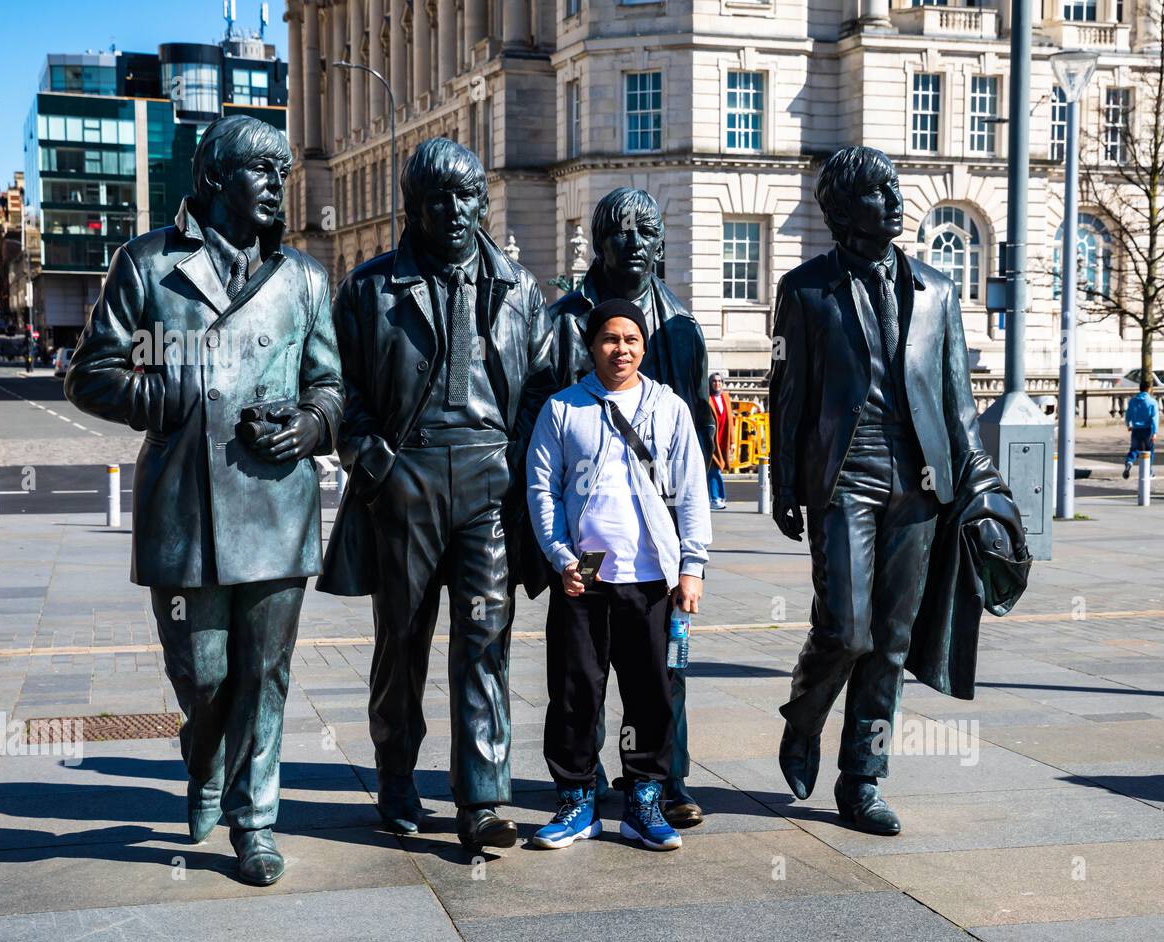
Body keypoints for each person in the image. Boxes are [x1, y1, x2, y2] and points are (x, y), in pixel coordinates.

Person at [65, 115, 344, 886]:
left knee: (267, 673)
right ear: (217, 179)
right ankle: (207, 758)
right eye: (263, 174)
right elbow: (90, 373)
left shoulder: (304, 280)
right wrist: (164, 391)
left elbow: (332, 387)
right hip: (184, 512)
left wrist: (311, 423)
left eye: (283, 177)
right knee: (206, 672)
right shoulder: (149, 265)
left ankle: (254, 822)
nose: (277, 190)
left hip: (277, 506)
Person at [768, 146, 1025, 836]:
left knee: (890, 640)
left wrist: (983, 490)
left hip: (920, 483)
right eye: (880, 194)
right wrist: (783, 481)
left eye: (895, 191)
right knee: (844, 629)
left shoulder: (937, 290)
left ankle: (863, 778)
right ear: (845, 210)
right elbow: (787, 395)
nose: (896, 203)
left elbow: (957, 402)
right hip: (842, 474)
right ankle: (803, 713)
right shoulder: (806, 289)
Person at [317, 138, 557, 852]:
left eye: (467, 196)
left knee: (486, 640)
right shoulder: (370, 288)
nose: (454, 211)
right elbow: (338, 388)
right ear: (413, 207)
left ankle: (482, 799)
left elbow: (540, 387)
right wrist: (372, 457)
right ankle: (395, 771)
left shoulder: (518, 287)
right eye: (437, 199)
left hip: (489, 482)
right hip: (407, 478)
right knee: (403, 641)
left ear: (485, 201)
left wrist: (523, 472)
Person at [547, 188, 713, 826]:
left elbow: (692, 445)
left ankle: (666, 781)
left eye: (649, 233)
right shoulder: (565, 320)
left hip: (658, 540)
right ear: (599, 243)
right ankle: (577, 788)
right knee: (579, 677)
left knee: (664, 667)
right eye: (622, 234)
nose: (637, 245)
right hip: (584, 540)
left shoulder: (682, 327)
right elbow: (538, 424)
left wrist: (692, 553)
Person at [707, 372, 733, 510]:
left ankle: (718, 498)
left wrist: (733, 442)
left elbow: (731, 421)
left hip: (723, 440)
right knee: (714, 470)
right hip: (712, 441)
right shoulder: (707, 398)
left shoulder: (726, 397)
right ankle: (716, 498)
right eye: (714, 381)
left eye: (719, 381)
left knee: (716, 470)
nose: (717, 384)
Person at [1123, 381, 1158, 479]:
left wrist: (1129, 424)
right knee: (1149, 451)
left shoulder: (1133, 401)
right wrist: (1154, 432)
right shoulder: (1152, 402)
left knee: (1134, 449)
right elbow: (1154, 419)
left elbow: (1128, 415)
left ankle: (1129, 463)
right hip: (1147, 430)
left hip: (1136, 429)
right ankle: (1148, 472)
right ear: (1149, 389)